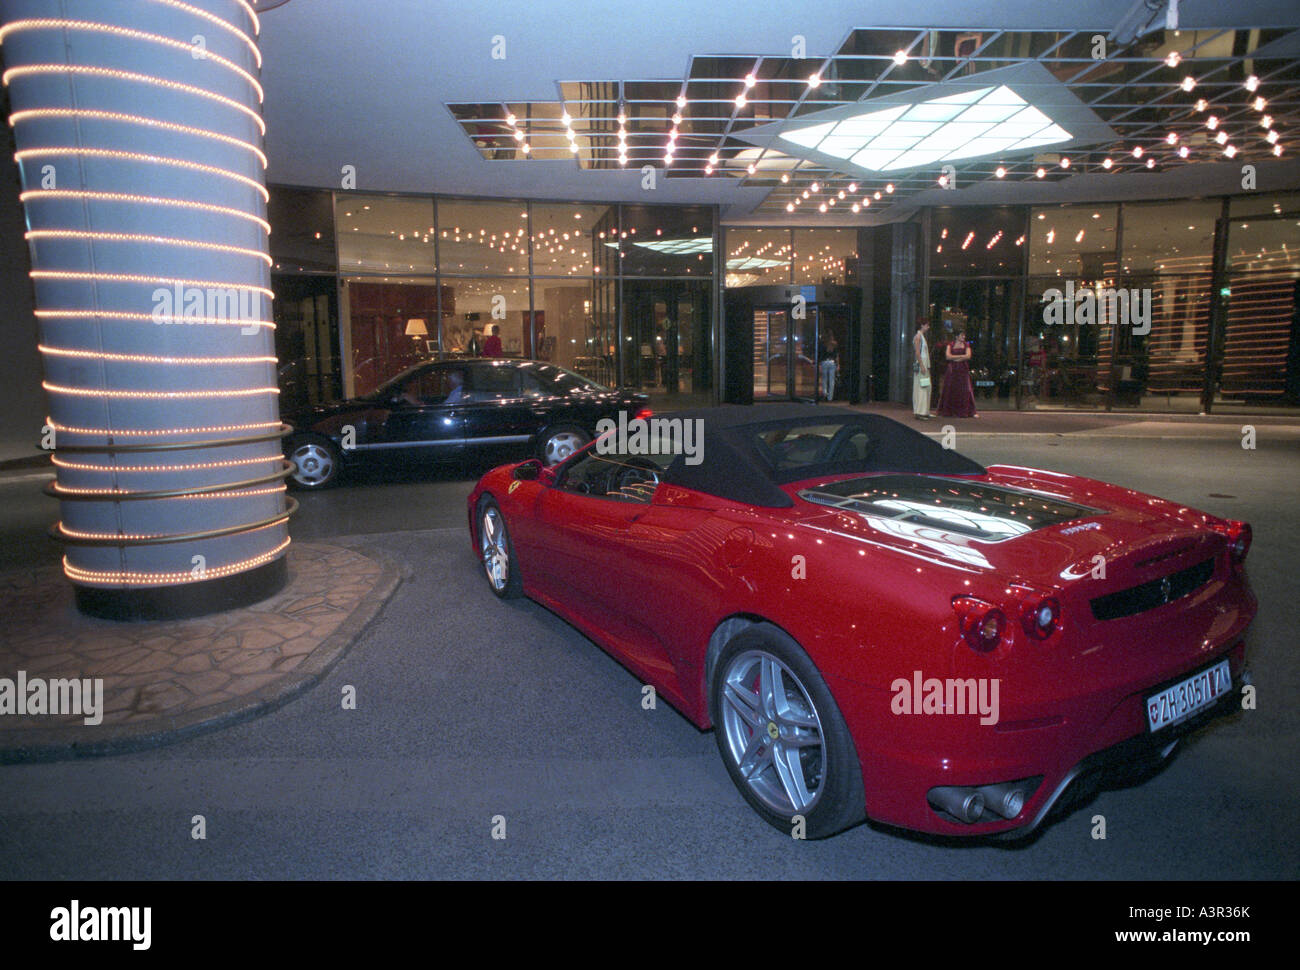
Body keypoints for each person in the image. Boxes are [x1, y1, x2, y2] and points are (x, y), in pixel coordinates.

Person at [938, 328, 978, 418]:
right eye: (961, 335)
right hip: (952, 369)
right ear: (956, 336)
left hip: (963, 369)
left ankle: (967, 410)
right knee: (950, 388)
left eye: (964, 335)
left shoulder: (966, 345)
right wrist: (961, 357)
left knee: (965, 389)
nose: (963, 337)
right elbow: (948, 356)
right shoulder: (950, 345)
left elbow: (968, 356)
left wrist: (955, 358)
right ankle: (950, 410)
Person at [912, 318, 932, 420]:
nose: (928, 327)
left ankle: (924, 411)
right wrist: (922, 366)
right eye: (927, 325)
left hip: (923, 364)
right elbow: (917, 352)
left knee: (926, 386)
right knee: (922, 387)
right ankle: (920, 412)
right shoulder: (918, 337)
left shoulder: (921, 336)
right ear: (922, 326)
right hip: (921, 364)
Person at [819, 333, 838, 401]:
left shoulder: (823, 344)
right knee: (832, 380)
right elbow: (836, 355)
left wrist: (819, 365)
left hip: (824, 362)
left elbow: (821, 355)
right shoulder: (834, 344)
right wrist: (838, 365)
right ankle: (830, 397)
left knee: (824, 379)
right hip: (832, 362)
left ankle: (825, 393)